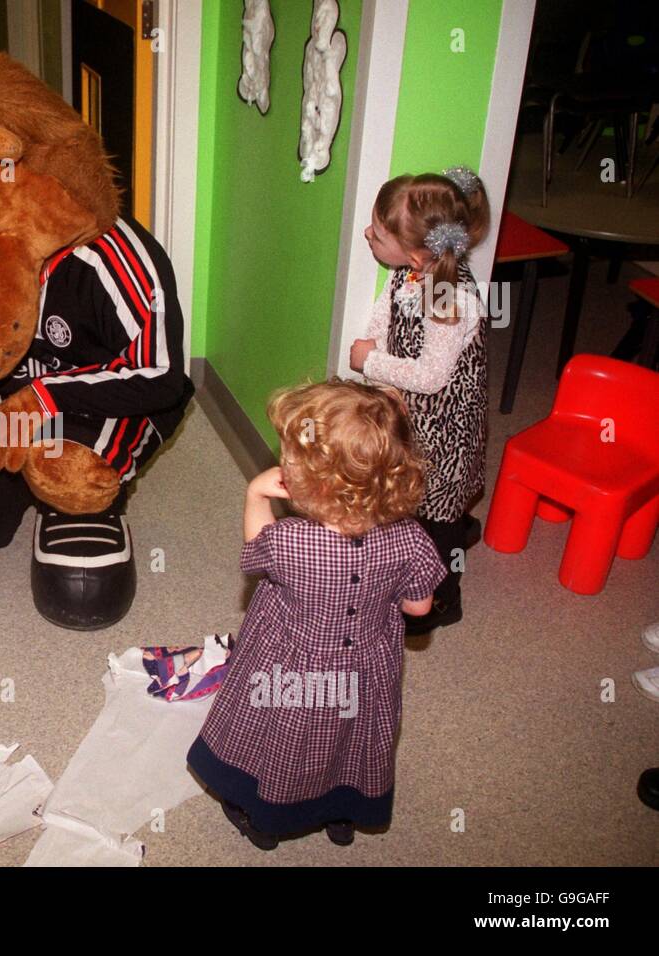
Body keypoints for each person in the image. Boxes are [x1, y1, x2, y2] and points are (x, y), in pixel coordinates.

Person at [187, 380, 445, 850]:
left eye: (289, 458)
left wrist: (255, 496)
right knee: (353, 737)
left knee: (287, 736)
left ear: (318, 485)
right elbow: (419, 606)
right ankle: (342, 816)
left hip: (292, 664)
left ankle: (267, 821)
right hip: (367, 668)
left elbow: (253, 554)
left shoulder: (291, 542)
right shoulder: (412, 539)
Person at [350, 166, 491, 633]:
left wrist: (371, 364)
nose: (367, 233)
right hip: (414, 418)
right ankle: (452, 531)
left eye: (377, 232)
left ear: (412, 250)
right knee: (406, 496)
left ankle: (443, 599)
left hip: (444, 432)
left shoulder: (449, 295)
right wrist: (376, 359)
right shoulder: (409, 273)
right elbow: (382, 320)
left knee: (434, 512)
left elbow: (431, 376)